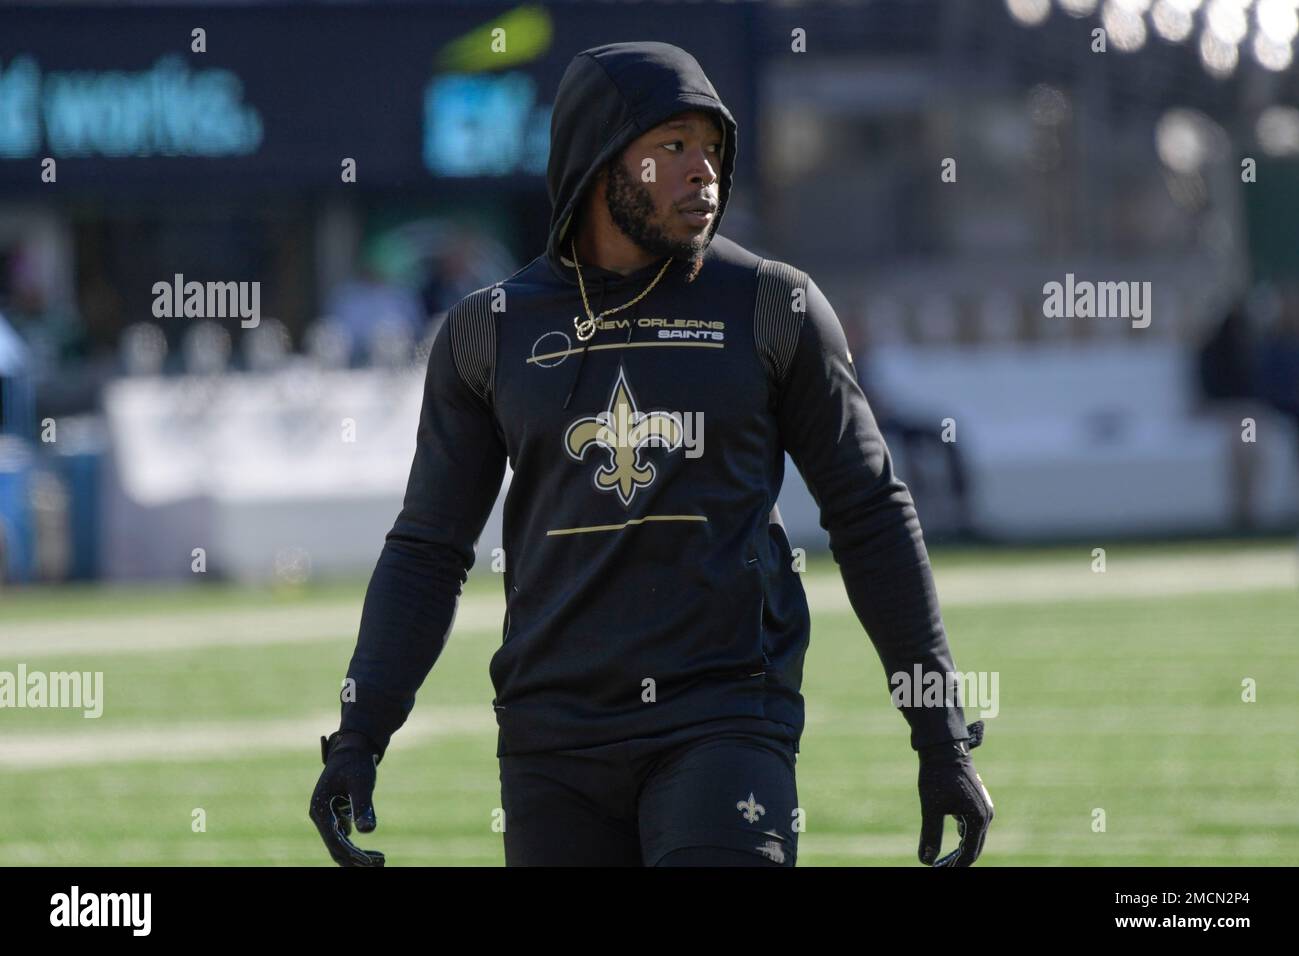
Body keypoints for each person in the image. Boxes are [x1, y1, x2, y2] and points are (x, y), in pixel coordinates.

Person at [309, 41, 992, 867]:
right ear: (600, 160)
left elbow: (871, 515)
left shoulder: (774, 305)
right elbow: (428, 548)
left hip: (728, 719)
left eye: (711, 149)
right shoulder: (487, 331)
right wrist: (362, 732)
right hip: (549, 741)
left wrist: (940, 731)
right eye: (670, 148)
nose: (701, 172)